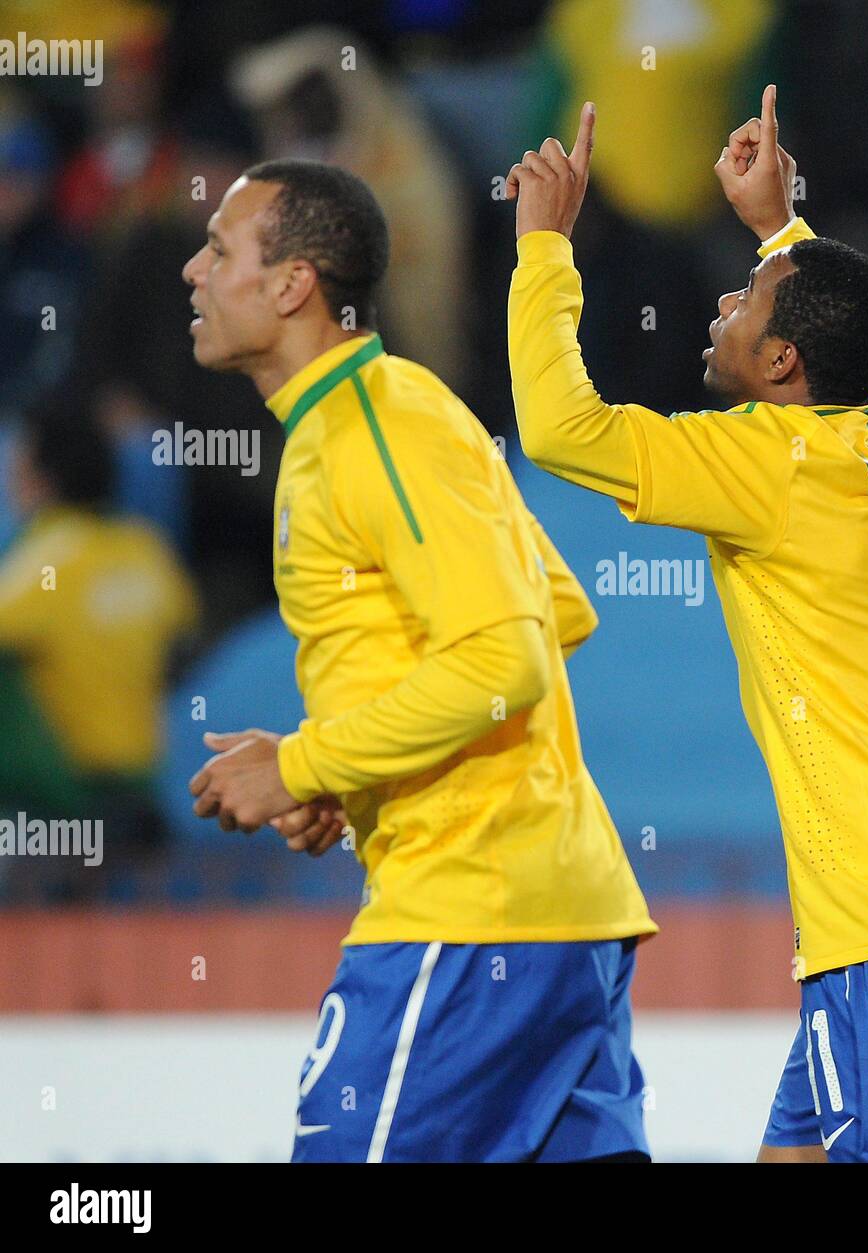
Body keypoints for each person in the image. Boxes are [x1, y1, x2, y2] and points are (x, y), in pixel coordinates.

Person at [506, 86, 868, 1163]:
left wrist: (544, 251)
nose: (725, 305)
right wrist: (777, 224)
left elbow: (560, 429)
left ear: (783, 364)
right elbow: (863, 324)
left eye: (747, 298)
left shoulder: (766, 463)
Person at [183, 159, 656, 1162]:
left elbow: (507, 655)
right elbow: (556, 611)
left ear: (290, 284)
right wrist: (354, 764)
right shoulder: (394, 411)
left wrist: (301, 765)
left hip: (469, 916)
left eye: (219, 249)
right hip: (553, 922)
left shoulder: (373, 424)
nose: (193, 269)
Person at [0, 397, 196, 899]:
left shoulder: (43, 561)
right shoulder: (146, 550)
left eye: (16, 468)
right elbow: (182, 639)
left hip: (63, 810)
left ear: (41, 480)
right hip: (148, 800)